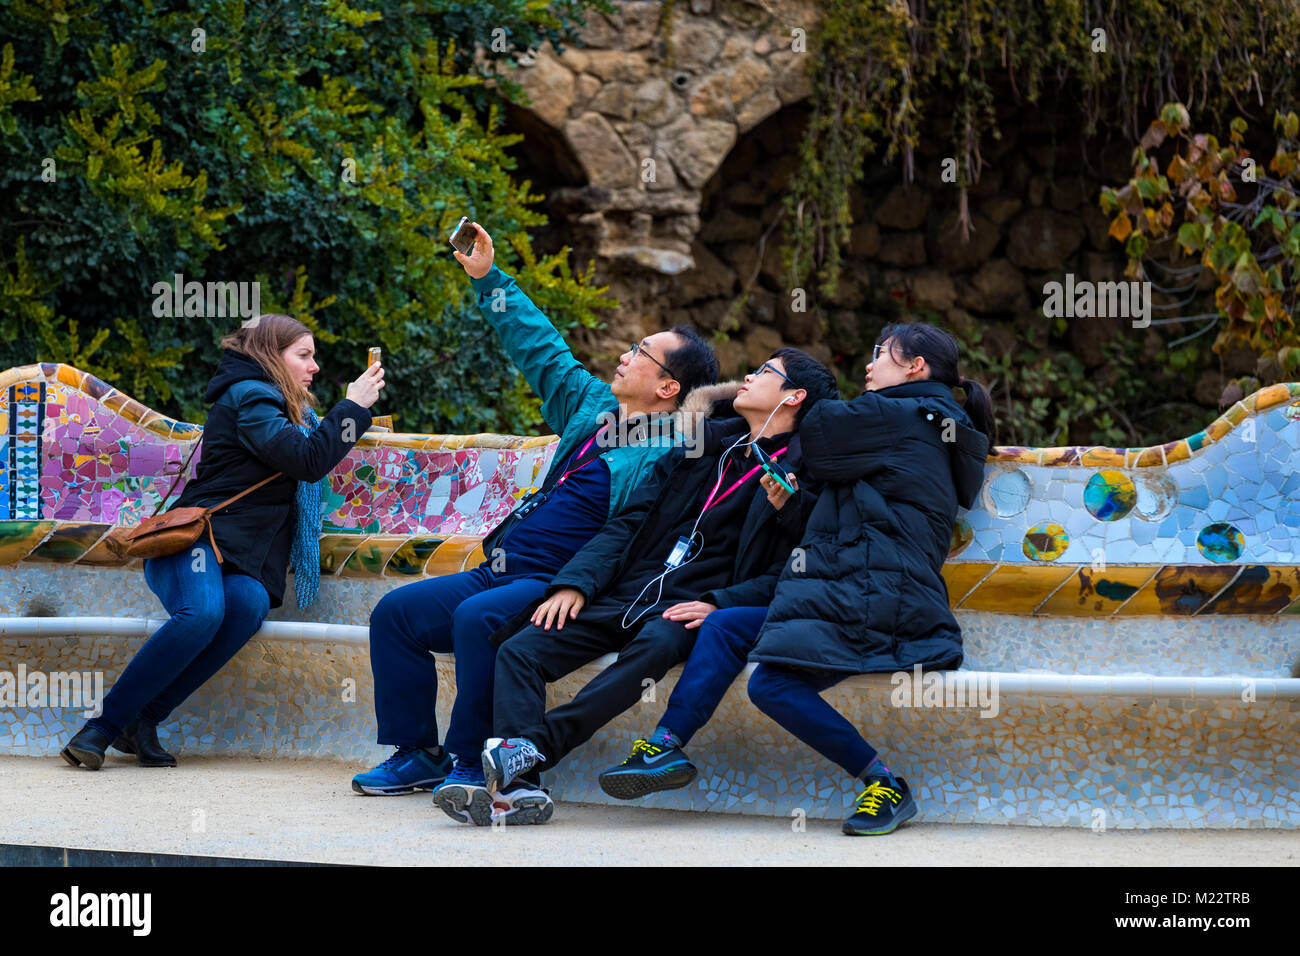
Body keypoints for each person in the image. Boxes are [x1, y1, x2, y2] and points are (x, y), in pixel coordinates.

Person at [351, 222, 720, 797]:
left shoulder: (674, 447)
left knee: (477, 621)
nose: (624, 355)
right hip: (501, 566)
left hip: (560, 583)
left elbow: (643, 526)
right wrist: (487, 278)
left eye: (640, 352)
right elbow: (539, 347)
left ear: (670, 387)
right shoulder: (593, 407)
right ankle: (415, 752)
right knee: (395, 614)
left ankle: (470, 761)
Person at [452, 348, 839, 826]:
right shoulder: (703, 448)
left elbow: (798, 566)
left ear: (794, 396)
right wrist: (573, 585)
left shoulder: (807, 472)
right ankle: (521, 786)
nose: (748, 376)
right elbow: (629, 522)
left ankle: (531, 753)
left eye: (765, 373)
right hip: (629, 588)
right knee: (521, 647)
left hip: (691, 605)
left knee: (655, 644)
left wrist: (722, 603)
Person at [60, 314, 383, 770]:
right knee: (204, 612)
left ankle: (144, 720)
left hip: (238, 560)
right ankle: (102, 727)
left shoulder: (274, 405)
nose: (313, 367)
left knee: (248, 604)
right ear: (273, 355)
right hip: (192, 544)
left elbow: (307, 451)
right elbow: (308, 459)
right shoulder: (251, 397)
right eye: (304, 355)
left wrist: (352, 416)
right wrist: (354, 408)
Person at [745, 322, 994, 836]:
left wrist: (783, 403)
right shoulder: (928, 418)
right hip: (883, 588)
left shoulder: (901, 413)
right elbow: (865, 510)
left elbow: (818, 433)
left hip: (881, 594)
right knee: (748, 655)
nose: (867, 366)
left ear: (915, 367)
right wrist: (795, 506)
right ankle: (880, 781)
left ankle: (884, 782)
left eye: (879, 354)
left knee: (770, 683)